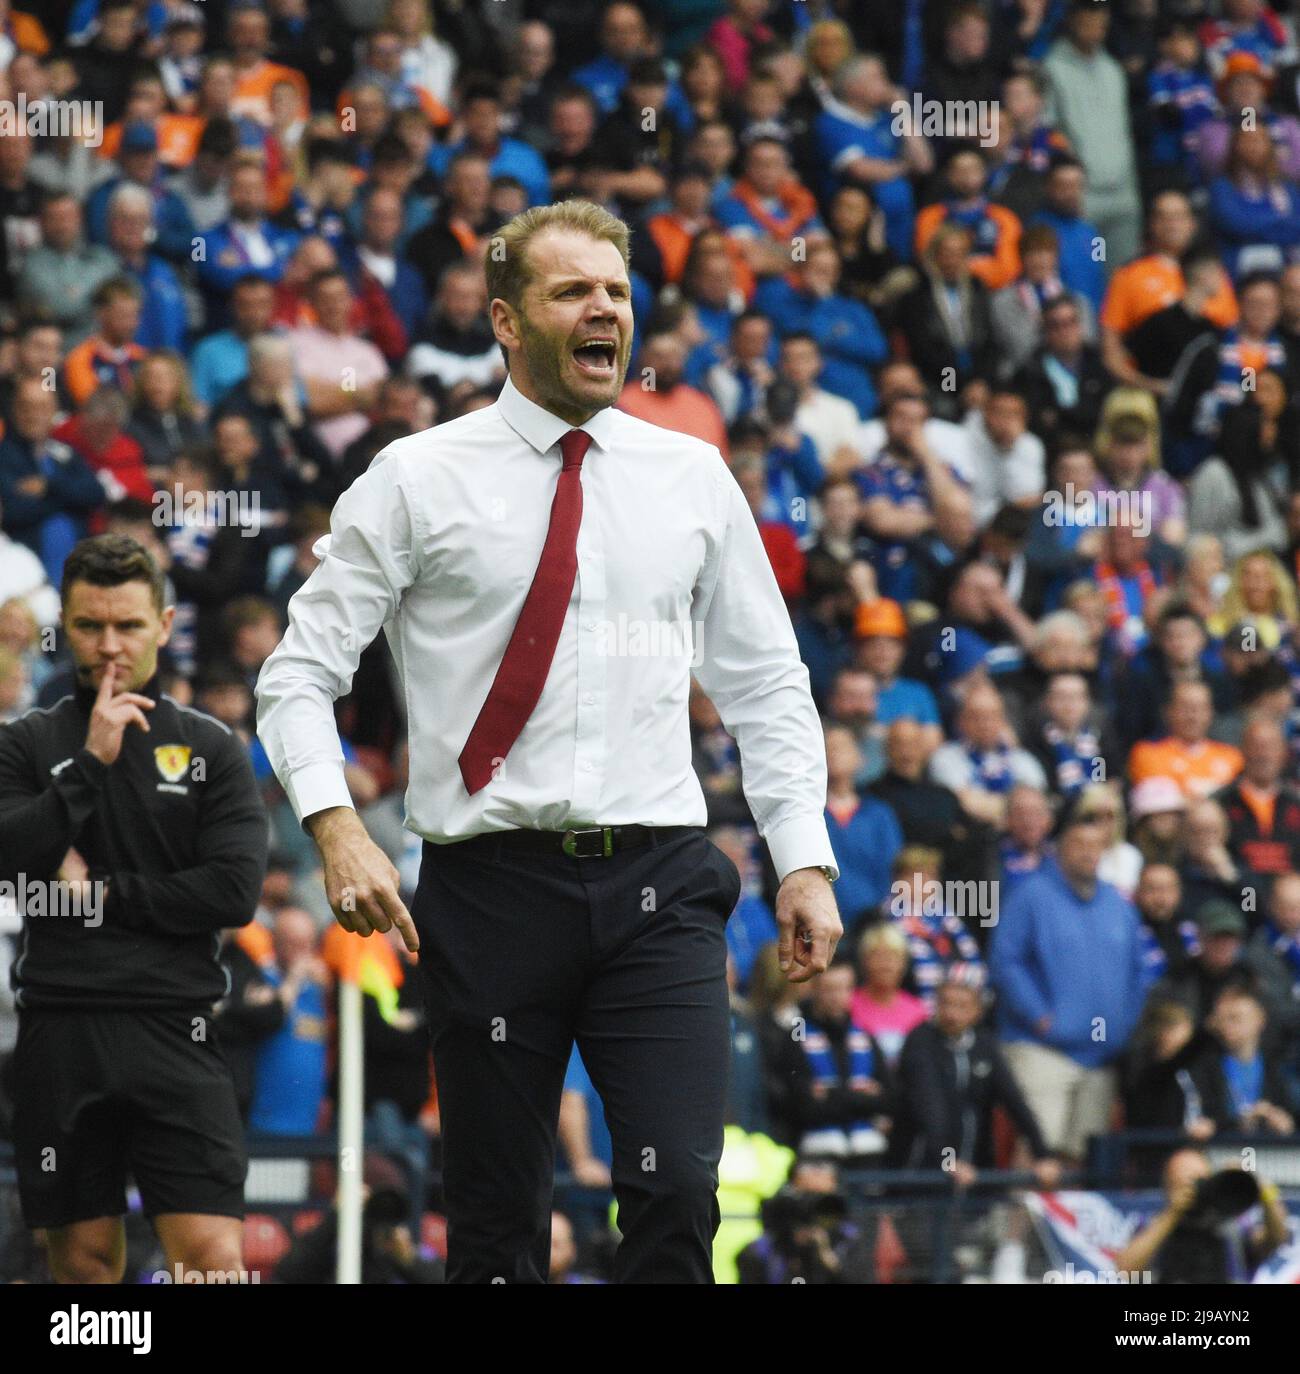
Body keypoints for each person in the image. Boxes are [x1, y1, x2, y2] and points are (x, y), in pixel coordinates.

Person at [255, 200, 842, 1285]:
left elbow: (765, 682)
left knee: (673, 1193)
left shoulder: (692, 477)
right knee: (495, 1223)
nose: (603, 308)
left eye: (616, 291)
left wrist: (801, 858)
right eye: (573, 290)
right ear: (507, 323)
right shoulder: (415, 477)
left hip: (661, 886)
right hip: (487, 893)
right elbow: (296, 676)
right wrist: (335, 828)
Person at [0, 533, 269, 1282]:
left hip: (175, 1027)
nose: (109, 645)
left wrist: (108, 891)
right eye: (90, 626)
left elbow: (232, 892)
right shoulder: (26, 746)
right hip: (61, 1028)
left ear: (164, 622)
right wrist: (88, 768)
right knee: (84, 1268)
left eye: (127, 625)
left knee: (214, 1263)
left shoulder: (212, 750)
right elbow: (7, 858)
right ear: (66, 625)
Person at [989, 808, 1146, 1161]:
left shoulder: (1118, 904)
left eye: (1097, 846)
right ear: (1059, 848)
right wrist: (1039, 1015)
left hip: (1102, 1056)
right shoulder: (1030, 894)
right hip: (1041, 1050)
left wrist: (1125, 1024)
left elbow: (1140, 971)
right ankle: (1023, 1219)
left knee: (1085, 1163)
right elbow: (1005, 961)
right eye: (1079, 845)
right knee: (1039, 1158)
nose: (1090, 853)